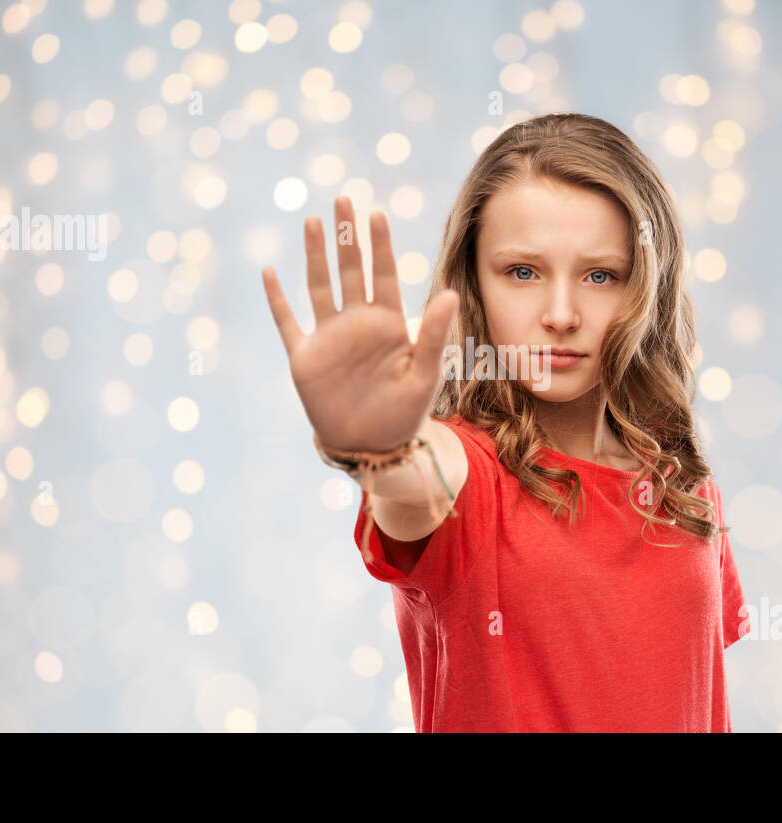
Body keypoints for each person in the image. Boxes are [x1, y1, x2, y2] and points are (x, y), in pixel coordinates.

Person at [261, 112, 747, 732]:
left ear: (647, 286)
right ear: (473, 285)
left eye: (601, 275)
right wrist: (373, 447)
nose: (562, 314)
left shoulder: (684, 487)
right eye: (523, 272)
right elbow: (414, 477)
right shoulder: (468, 477)